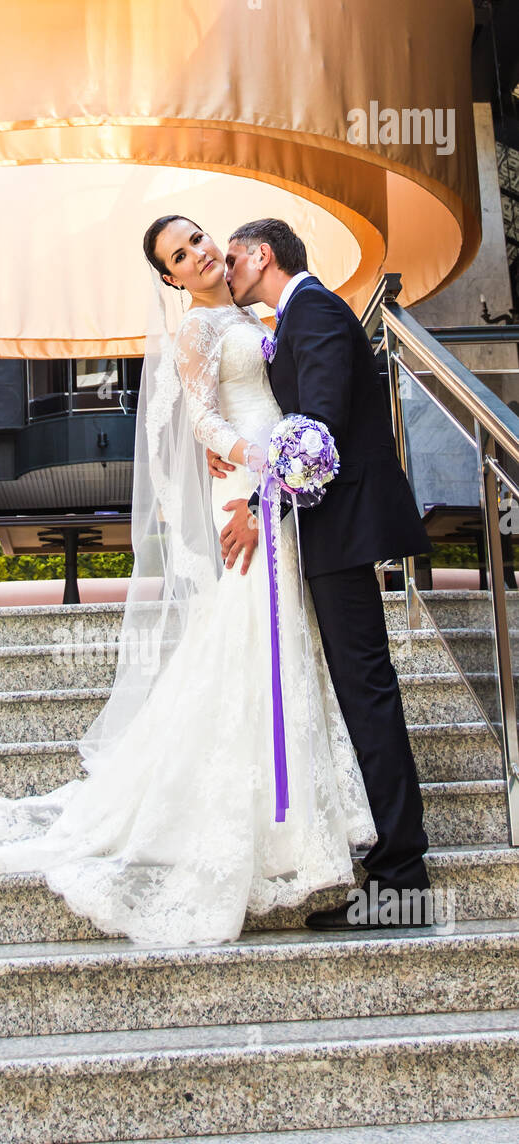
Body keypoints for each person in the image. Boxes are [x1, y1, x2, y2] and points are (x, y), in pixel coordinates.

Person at [0, 215, 377, 946]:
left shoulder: (255, 310)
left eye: (200, 239)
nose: (199, 254)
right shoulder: (197, 331)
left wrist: (281, 456)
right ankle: (272, 823)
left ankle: (299, 807)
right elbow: (201, 419)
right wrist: (261, 456)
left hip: (280, 481)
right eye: (180, 255)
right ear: (172, 278)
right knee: (256, 623)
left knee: (276, 628)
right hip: (251, 479)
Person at [209, 218, 432, 929]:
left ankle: (401, 880)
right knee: (364, 693)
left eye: (234, 255)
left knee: (368, 694)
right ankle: (395, 869)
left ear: (262, 254)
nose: (226, 266)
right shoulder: (300, 315)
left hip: (341, 533)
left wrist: (253, 504)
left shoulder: (318, 313)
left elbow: (317, 433)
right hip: (326, 534)